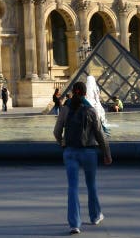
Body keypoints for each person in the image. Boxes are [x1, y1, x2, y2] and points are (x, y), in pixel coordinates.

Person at [53, 81, 112, 235]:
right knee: (91, 185)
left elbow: (56, 132)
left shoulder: (65, 109)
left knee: (72, 188)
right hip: (89, 152)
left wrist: (63, 144)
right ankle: (95, 216)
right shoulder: (92, 110)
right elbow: (100, 135)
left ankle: (74, 224)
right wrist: (107, 153)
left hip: (70, 152)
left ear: (73, 92)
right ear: (86, 93)